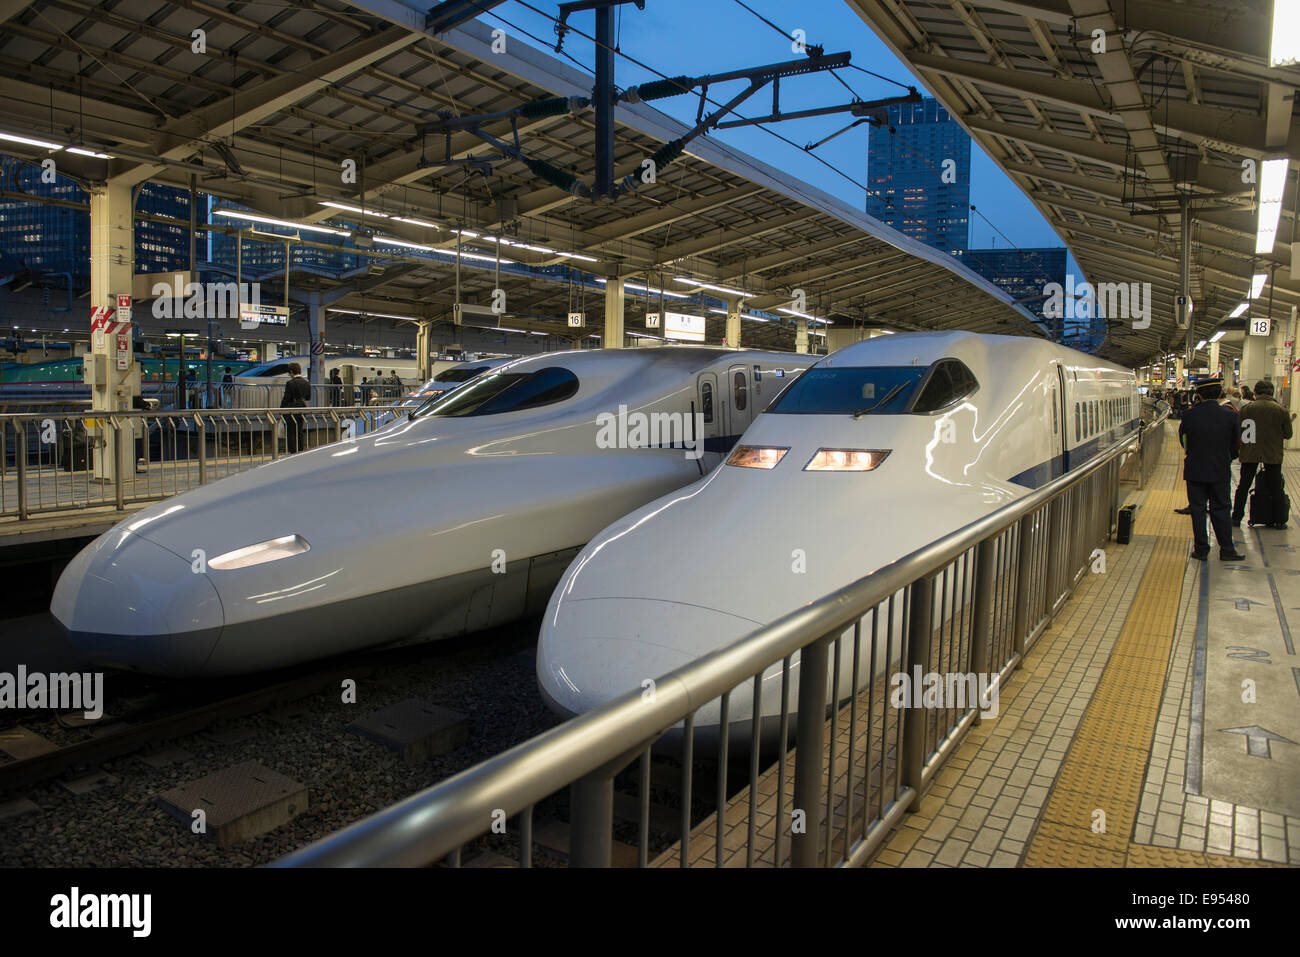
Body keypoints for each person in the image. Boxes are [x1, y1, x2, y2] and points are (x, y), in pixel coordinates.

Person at [1179, 378, 1244, 561]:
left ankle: (1201, 549)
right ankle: (1227, 550)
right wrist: (1224, 458)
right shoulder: (1231, 415)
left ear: (1198, 395)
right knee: (1221, 508)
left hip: (1195, 470)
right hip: (1219, 470)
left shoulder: (1189, 415)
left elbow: (1183, 440)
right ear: (1219, 394)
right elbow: (1235, 444)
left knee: (1198, 511)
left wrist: (1194, 454)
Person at [1232, 379, 1296, 528]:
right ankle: (1279, 520)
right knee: (1276, 487)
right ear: (1272, 393)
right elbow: (1288, 434)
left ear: (1255, 393)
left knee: (1243, 486)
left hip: (1250, 452)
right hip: (1272, 454)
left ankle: (1236, 517)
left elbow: (1242, 432)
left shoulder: (1247, 409)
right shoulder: (1280, 410)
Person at [280, 362, 311, 453]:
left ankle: (293, 451)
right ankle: (300, 450)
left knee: (291, 431)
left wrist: (281, 408)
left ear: (291, 372)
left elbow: (287, 398)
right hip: (302, 408)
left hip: (291, 409)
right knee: (299, 430)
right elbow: (308, 397)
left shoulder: (290, 383)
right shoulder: (306, 382)